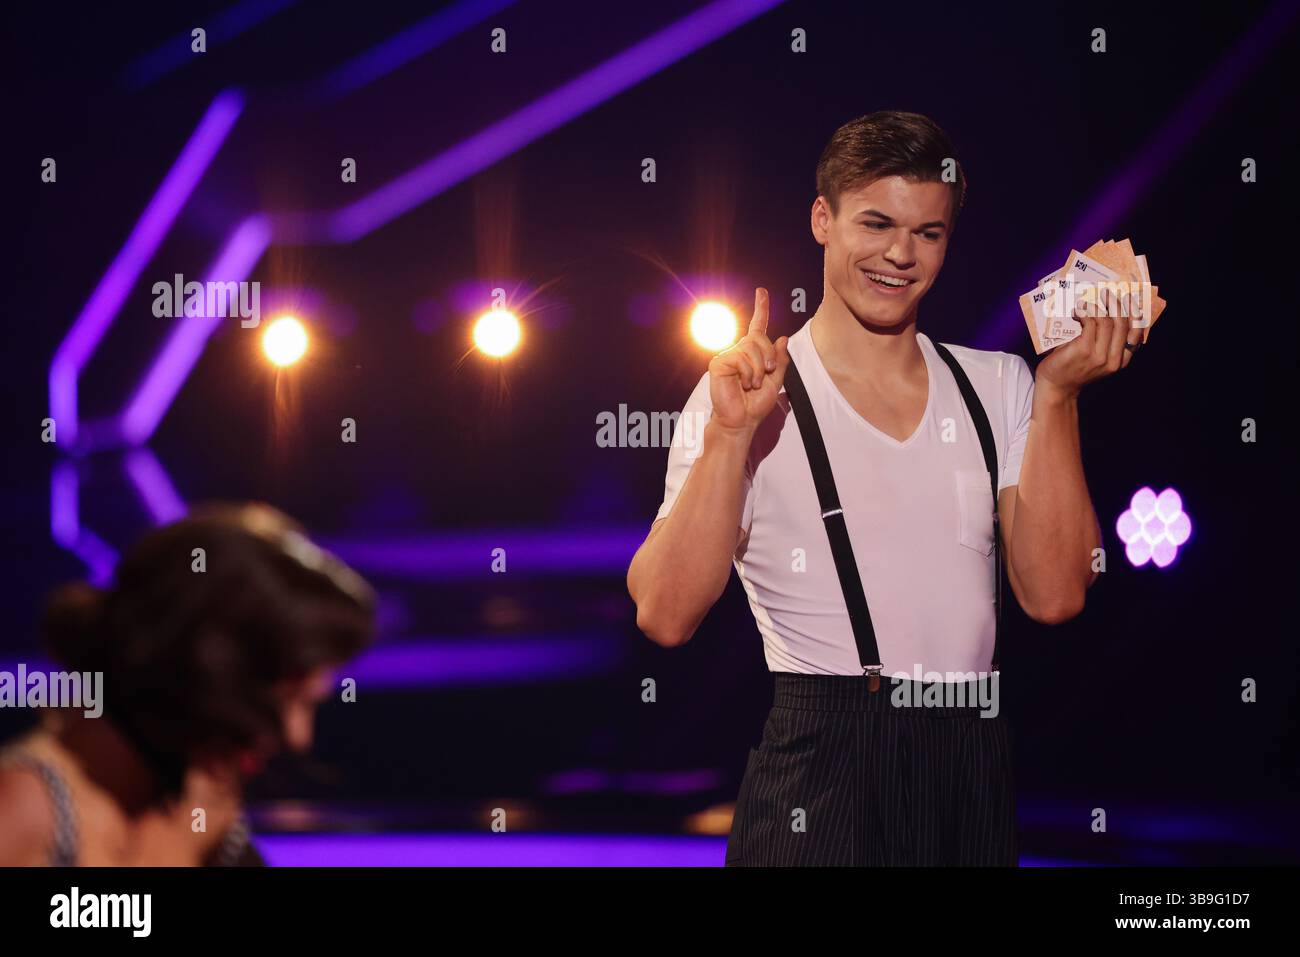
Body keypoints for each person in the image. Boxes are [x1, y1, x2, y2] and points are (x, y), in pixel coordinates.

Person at [627, 111, 1141, 866]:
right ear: (822, 219)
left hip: (969, 760)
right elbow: (664, 614)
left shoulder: (998, 385)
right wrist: (732, 436)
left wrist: (1058, 396)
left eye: (928, 232)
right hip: (821, 772)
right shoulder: (746, 394)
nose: (901, 254)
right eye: (876, 222)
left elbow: (1057, 594)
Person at [0, 502, 375, 866]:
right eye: (291, 701)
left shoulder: (202, 805)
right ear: (204, 674)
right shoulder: (23, 813)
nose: (297, 736)